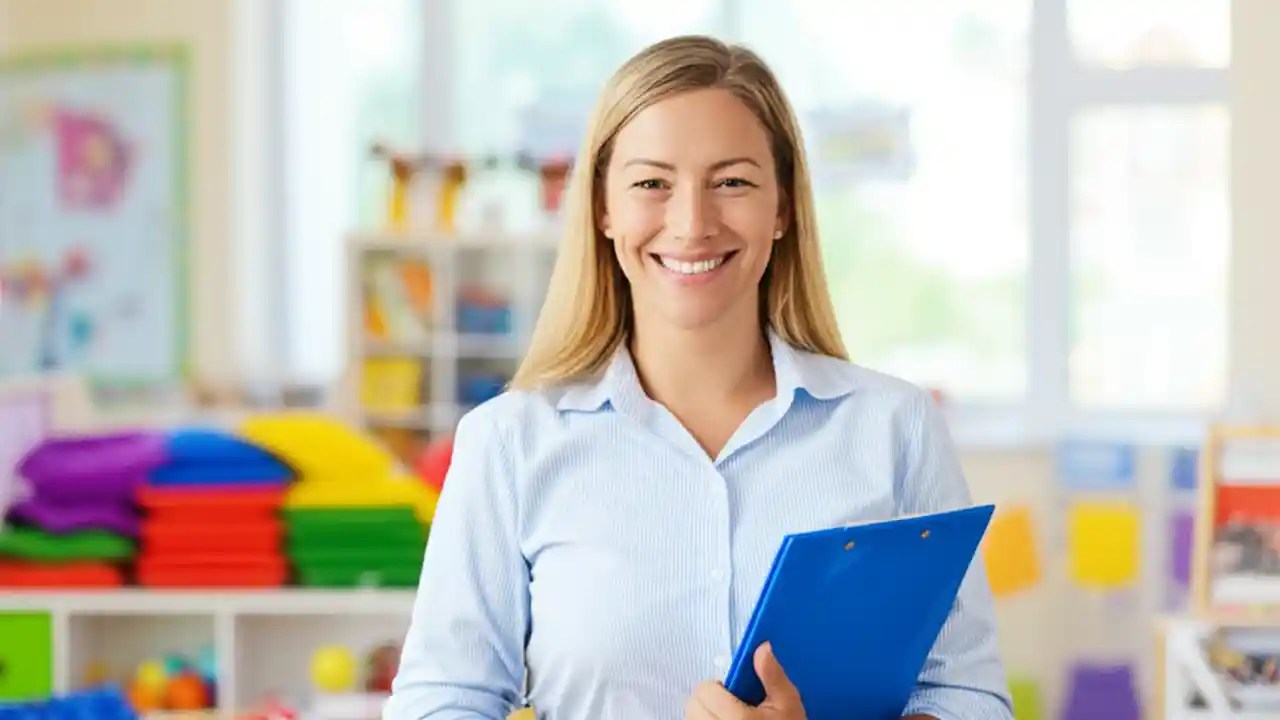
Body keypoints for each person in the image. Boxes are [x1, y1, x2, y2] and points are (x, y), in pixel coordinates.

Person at [385, 34, 1013, 720]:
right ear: (602, 207)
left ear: (782, 209)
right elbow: (440, 702)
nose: (691, 223)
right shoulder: (507, 443)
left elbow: (969, 699)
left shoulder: (895, 427)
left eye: (733, 182)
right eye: (652, 183)